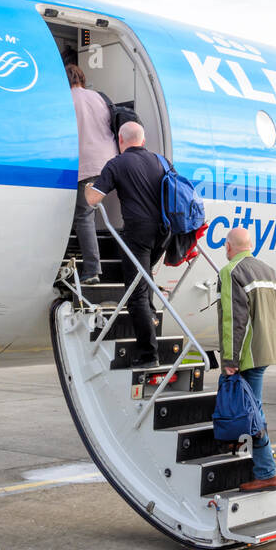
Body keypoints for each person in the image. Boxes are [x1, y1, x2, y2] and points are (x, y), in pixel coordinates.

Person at [86, 122, 167, 368]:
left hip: (138, 234)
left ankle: (148, 354)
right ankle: (151, 317)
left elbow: (93, 199)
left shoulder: (117, 164)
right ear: (142, 141)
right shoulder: (160, 161)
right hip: (164, 232)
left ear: (120, 141)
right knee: (145, 279)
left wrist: (88, 185)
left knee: (135, 294)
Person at [217, 226, 276, 491]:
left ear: (228, 247)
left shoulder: (230, 271)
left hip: (247, 354)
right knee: (251, 409)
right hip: (267, 349)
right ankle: (255, 463)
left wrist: (229, 360)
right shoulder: (268, 270)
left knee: (253, 413)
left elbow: (233, 320)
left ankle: (267, 473)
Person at [67, 63, 118, 285]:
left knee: (84, 215)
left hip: (87, 164)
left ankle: (92, 270)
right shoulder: (99, 97)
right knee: (92, 211)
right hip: (111, 161)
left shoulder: (66, 100)